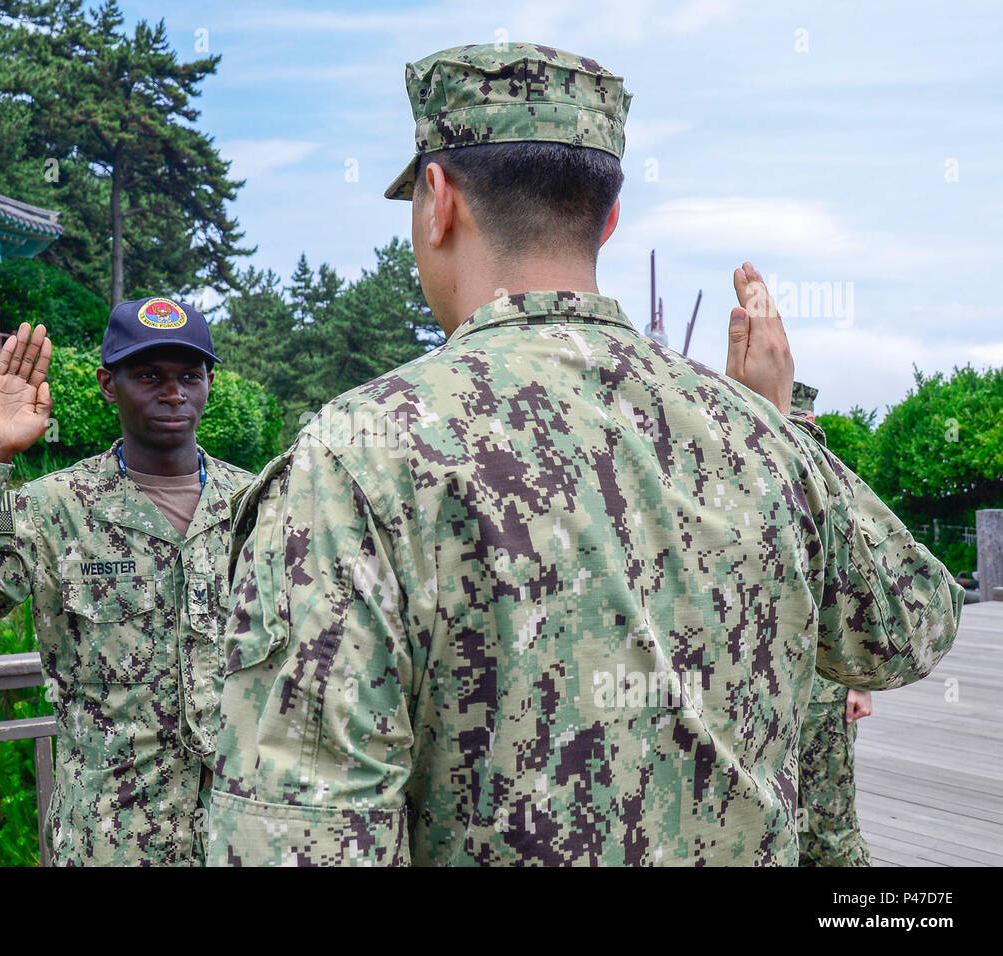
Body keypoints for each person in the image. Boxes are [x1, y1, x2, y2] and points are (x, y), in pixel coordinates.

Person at [206, 42, 963, 866]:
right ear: (608, 217)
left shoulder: (356, 457)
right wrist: (778, 427)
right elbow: (912, 624)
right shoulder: (760, 438)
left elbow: (297, 837)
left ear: (437, 198)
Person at [0, 299, 254, 865]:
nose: (172, 393)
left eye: (188, 376)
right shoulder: (52, 512)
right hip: (114, 845)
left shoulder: (259, 506)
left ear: (208, 384)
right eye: (149, 375)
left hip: (244, 840)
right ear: (108, 384)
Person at [790, 381, 875, 867]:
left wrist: (861, 683)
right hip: (770, 693)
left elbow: (855, 590)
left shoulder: (830, 491)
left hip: (821, 691)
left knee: (828, 828)